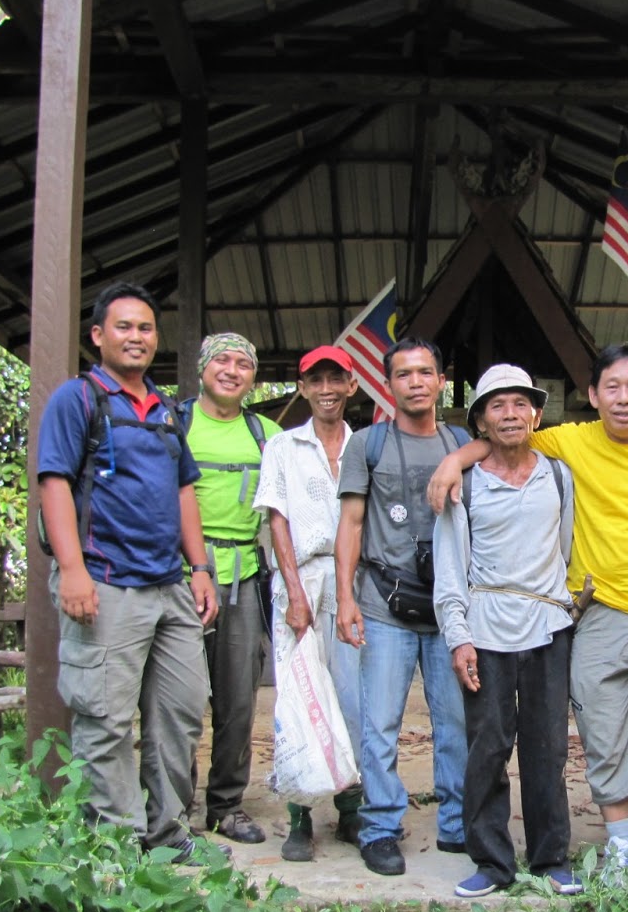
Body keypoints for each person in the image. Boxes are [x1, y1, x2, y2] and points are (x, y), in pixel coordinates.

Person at [430, 343, 628, 882]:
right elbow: (497, 445)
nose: (622, 398)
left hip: (624, 617)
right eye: (611, 387)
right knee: (555, 738)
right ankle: (564, 852)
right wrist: (455, 458)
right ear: (592, 396)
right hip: (557, 620)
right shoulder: (546, 453)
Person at [36, 281, 222, 863]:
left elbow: (184, 490)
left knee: (180, 715)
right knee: (107, 721)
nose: (136, 337)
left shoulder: (165, 409)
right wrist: (72, 570)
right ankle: (116, 848)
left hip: (170, 586)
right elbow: (54, 484)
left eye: (145, 328)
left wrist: (200, 568)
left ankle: (165, 837)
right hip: (107, 582)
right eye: (124, 327)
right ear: (98, 336)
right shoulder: (79, 398)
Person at [434, 364, 581, 899]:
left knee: (547, 748)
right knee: (488, 747)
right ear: (481, 422)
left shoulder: (558, 476)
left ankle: (551, 858)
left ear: (536, 415)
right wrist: (458, 635)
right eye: (497, 405)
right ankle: (492, 862)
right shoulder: (464, 485)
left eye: (520, 403)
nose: (511, 414)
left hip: (547, 626)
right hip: (486, 630)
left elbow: (562, 547)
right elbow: (451, 567)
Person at [335, 338, 470, 877]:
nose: (415, 382)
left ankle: (457, 824)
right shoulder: (366, 444)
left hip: (447, 610)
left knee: (456, 723)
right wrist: (345, 597)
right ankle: (381, 827)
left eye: (425, 372)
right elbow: (349, 523)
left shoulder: (458, 440)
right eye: (403, 374)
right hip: (383, 602)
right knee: (380, 722)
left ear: (441, 381)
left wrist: (464, 454)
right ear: (386, 384)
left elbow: (493, 450)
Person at [255, 345, 364, 862]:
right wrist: (295, 591)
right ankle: (300, 817)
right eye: (315, 380)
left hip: (350, 582)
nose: (326, 389)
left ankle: (351, 812)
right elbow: (276, 518)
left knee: (349, 695)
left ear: (351, 385)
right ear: (302, 388)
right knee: (297, 698)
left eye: (335, 379)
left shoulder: (361, 446)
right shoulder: (283, 445)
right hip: (298, 578)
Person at [177, 332, 280, 846]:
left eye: (244, 362)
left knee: (239, 700)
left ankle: (225, 805)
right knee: (177, 699)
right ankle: (173, 808)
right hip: (179, 578)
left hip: (243, 577)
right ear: (202, 368)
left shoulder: (265, 433)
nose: (233, 369)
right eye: (223, 359)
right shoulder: (175, 424)